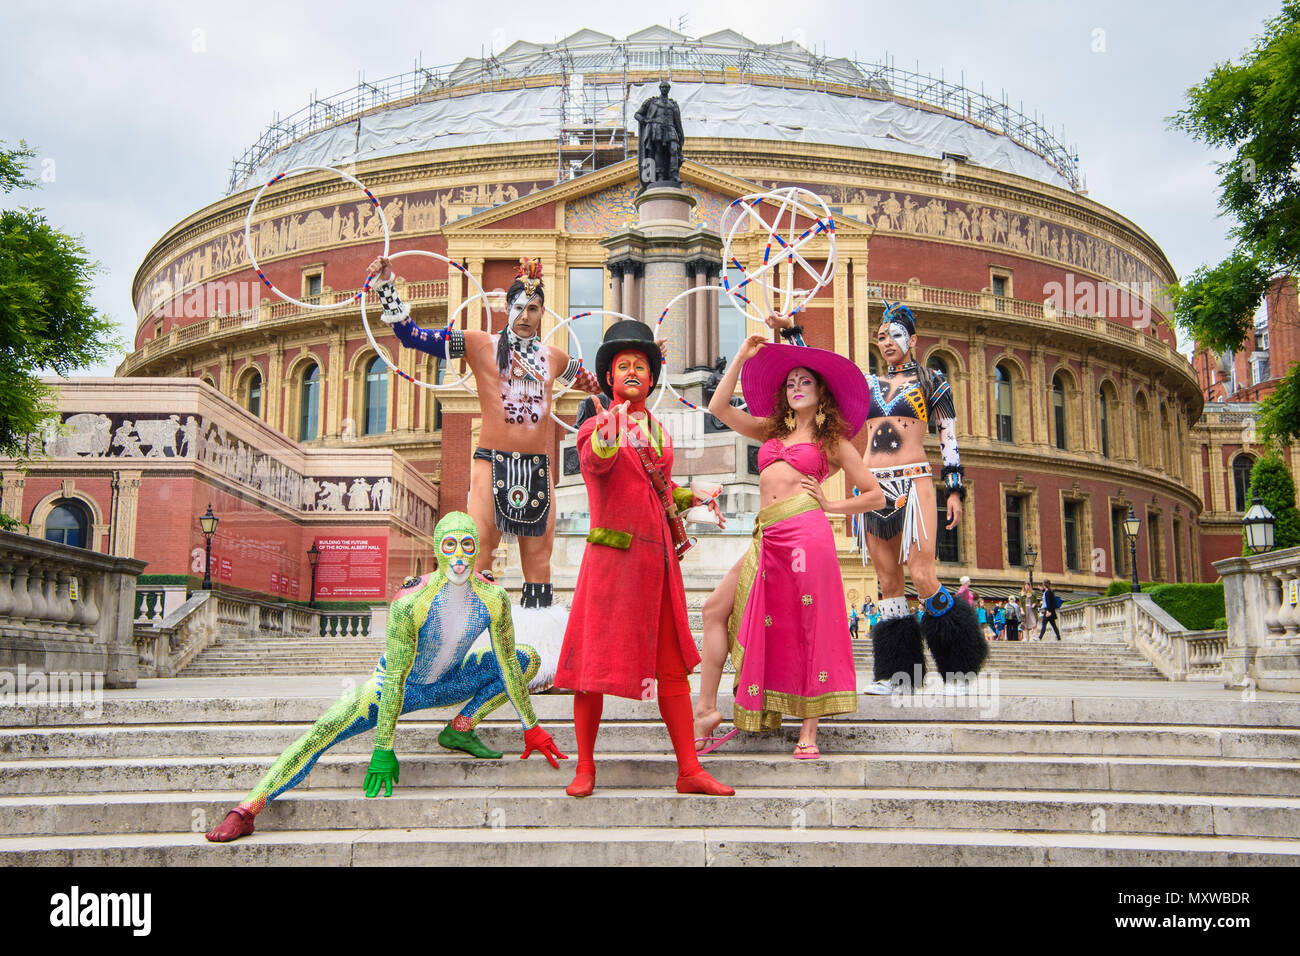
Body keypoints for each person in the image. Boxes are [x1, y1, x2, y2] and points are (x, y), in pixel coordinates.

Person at [204, 512, 564, 843]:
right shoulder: (411, 601)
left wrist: (530, 725)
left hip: (450, 682)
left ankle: (461, 727)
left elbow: (505, 664)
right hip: (397, 688)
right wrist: (383, 747)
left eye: (467, 545)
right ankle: (247, 809)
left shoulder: (493, 598)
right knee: (322, 731)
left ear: (476, 551)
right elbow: (394, 678)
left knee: (526, 658)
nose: (458, 556)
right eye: (449, 545)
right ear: (438, 548)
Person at [555, 321, 732, 798]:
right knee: (591, 670)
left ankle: (689, 770)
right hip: (612, 563)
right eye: (623, 366)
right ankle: (585, 768)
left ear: (652, 379)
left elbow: (658, 492)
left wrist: (695, 496)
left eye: (640, 366)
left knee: (671, 671)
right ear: (610, 377)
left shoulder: (657, 431)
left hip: (657, 567)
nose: (632, 372)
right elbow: (597, 462)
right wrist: (610, 427)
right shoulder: (595, 423)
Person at [369, 256, 599, 622]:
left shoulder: (554, 357)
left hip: (537, 469)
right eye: (519, 307)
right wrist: (386, 288)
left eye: (534, 308)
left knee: (539, 563)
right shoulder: (479, 345)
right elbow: (414, 338)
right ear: (507, 308)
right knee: (479, 555)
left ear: (543, 314)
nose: (525, 315)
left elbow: (600, 384)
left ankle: (535, 651)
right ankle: (472, 640)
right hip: (490, 464)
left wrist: (648, 364)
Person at [692, 334, 887, 759]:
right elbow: (718, 408)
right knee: (713, 608)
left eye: (805, 382)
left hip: (806, 535)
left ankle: (809, 729)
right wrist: (741, 356)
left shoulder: (830, 442)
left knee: (808, 623)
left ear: (821, 394)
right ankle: (706, 711)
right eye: (790, 383)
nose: (795, 387)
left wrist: (832, 503)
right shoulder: (770, 431)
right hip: (768, 536)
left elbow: (875, 495)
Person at [848, 302, 985, 693]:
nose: (887, 341)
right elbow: (827, 378)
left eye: (895, 334)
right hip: (873, 489)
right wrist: (792, 333)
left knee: (922, 574)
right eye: (881, 336)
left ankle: (959, 668)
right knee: (888, 582)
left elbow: (949, 440)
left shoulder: (933, 381)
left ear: (913, 339)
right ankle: (898, 676)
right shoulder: (868, 384)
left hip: (914, 483)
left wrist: (955, 490)